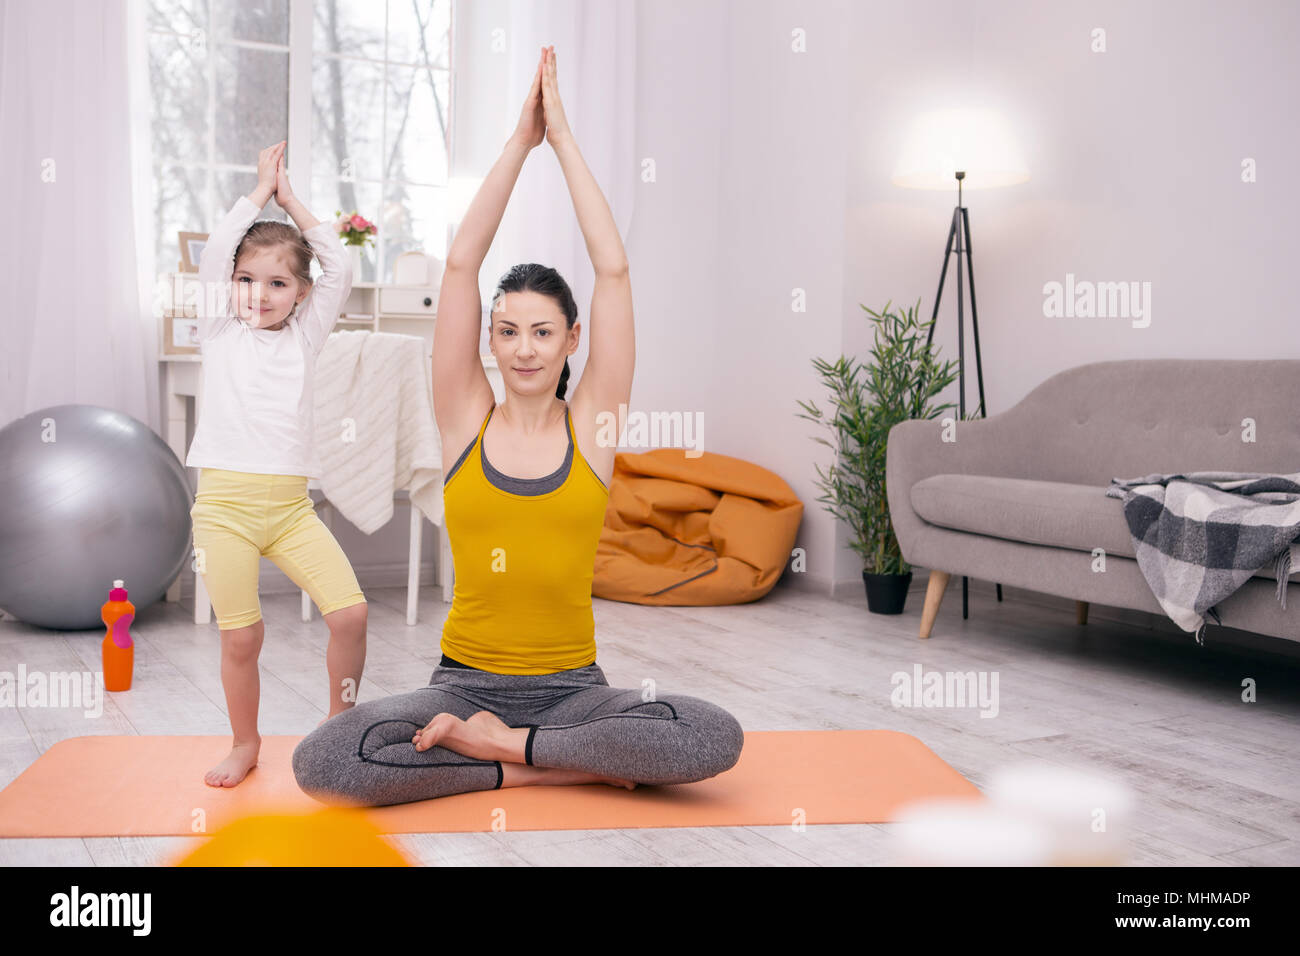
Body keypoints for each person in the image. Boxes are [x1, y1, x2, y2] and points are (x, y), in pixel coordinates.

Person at [292, 46, 744, 806]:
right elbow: (460, 268)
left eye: (542, 332)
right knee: (327, 759)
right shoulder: (464, 417)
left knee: (709, 733)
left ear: (572, 340)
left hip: (575, 695)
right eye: (508, 332)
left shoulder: (593, 426)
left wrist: (562, 140)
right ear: (490, 341)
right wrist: (519, 144)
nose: (524, 349)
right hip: (461, 688)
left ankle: (508, 753)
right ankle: (552, 765)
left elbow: (614, 272)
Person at [188, 141, 368, 788]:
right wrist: (260, 193)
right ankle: (245, 743)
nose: (258, 295)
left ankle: (339, 725)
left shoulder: (305, 336)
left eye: (277, 283)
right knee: (242, 637)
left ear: (300, 294)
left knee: (350, 615)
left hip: (291, 512)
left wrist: (292, 201)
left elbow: (340, 267)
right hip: (224, 512)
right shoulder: (219, 331)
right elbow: (214, 253)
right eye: (246, 280)